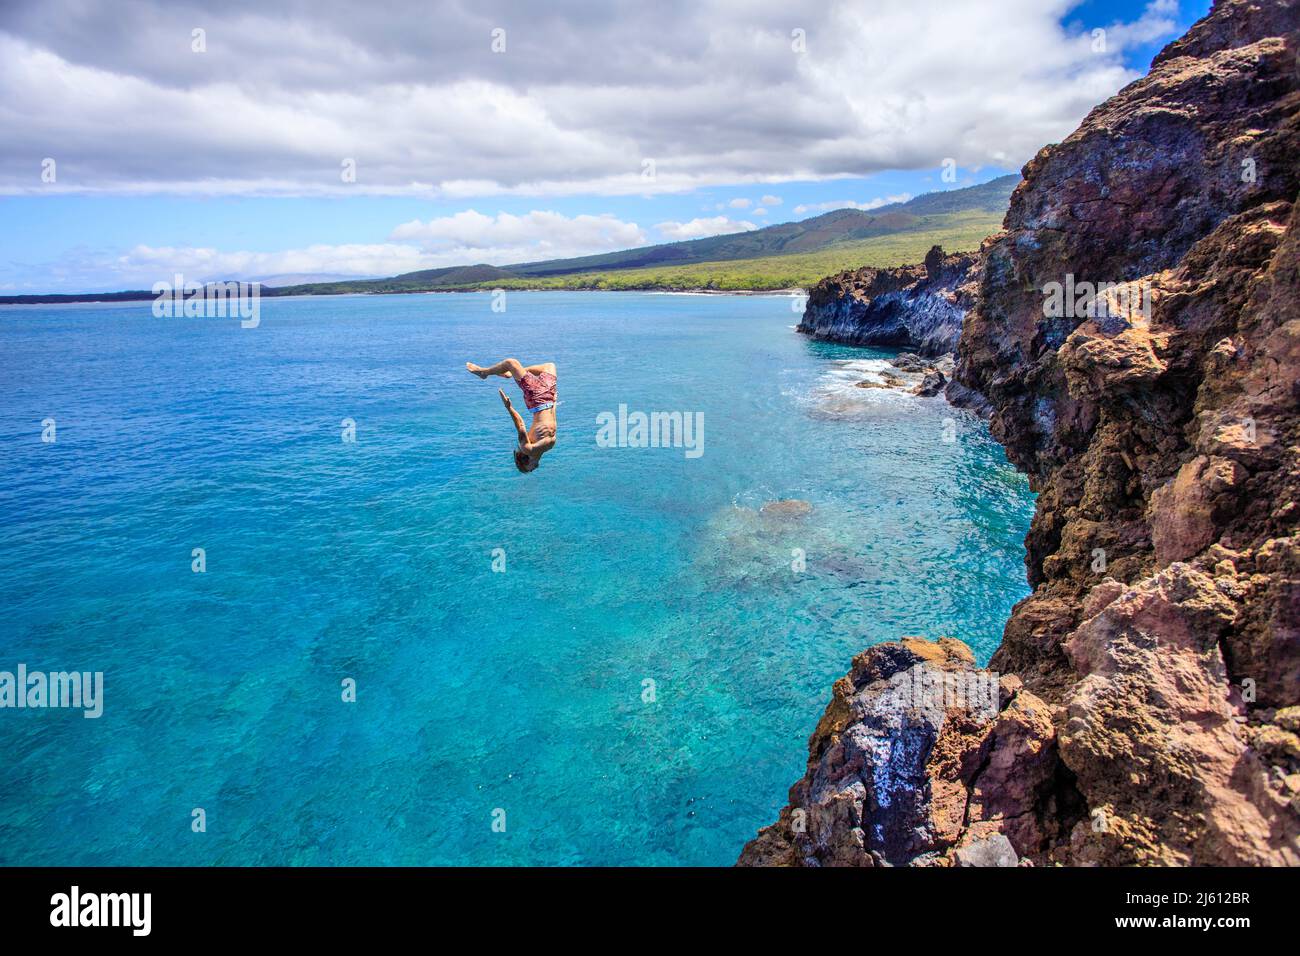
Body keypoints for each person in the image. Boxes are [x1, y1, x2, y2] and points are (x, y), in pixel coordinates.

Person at [466, 358, 557, 473]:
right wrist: (554, 403)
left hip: (537, 399)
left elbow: (520, 425)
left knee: (511, 363)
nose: (532, 470)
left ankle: (484, 372)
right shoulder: (547, 447)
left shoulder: (527, 448)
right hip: (549, 398)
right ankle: (511, 373)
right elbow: (552, 419)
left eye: (528, 470)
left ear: (525, 462)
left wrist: (509, 408)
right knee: (549, 366)